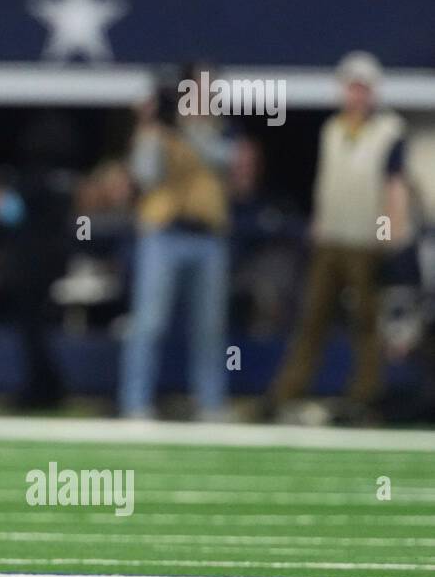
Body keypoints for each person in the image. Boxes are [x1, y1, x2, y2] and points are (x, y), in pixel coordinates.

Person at [267, 52, 409, 423]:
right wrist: (318, 223)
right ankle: (286, 393)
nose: (356, 96)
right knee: (312, 316)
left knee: (365, 320)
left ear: (372, 92)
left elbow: (394, 185)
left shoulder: (389, 130)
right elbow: (327, 182)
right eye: (351, 88)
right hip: (331, 237)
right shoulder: (332, 129)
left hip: (365, 240)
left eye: (363, 88)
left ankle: (366, 396)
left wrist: (389, 231)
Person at [119, 70, 233, 420]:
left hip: (208, 237)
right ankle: (135, 403)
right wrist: (149, 127)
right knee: (149, 323)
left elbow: (224, 161)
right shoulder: (158, 132)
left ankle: (210, 403)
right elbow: (144, 175)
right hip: (163, 234)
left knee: (209, 327)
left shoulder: (220, 130)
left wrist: (188, 128)